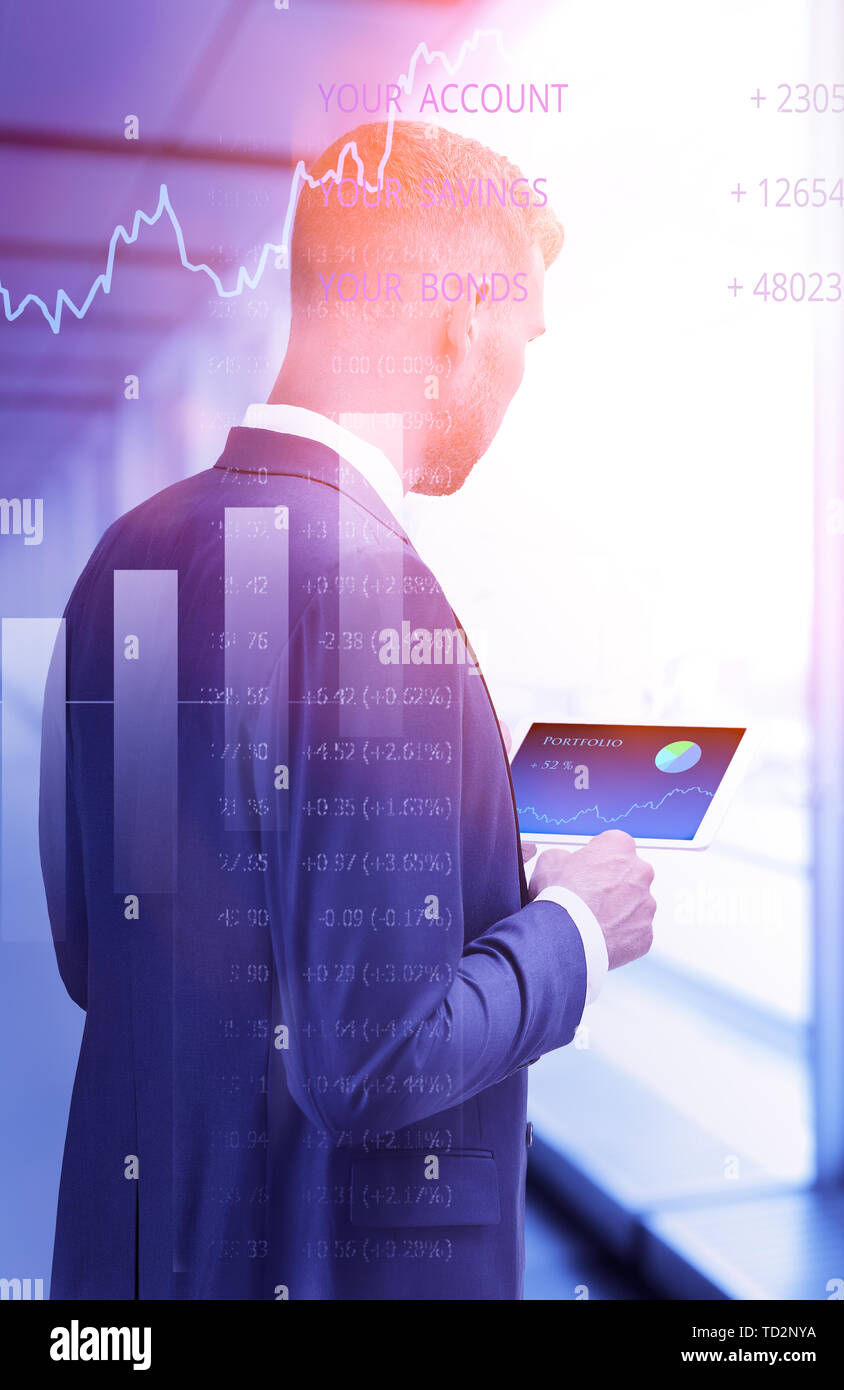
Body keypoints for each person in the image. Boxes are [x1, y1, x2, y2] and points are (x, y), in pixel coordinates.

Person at [39, 121, 655, 1301]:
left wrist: (455, 895)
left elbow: (102, 951)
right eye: (522, 334)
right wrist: (571, 927)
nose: (519, 374)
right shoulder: (378, 604)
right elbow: (370, 1059)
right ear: (458, 316)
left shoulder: (131, 561)